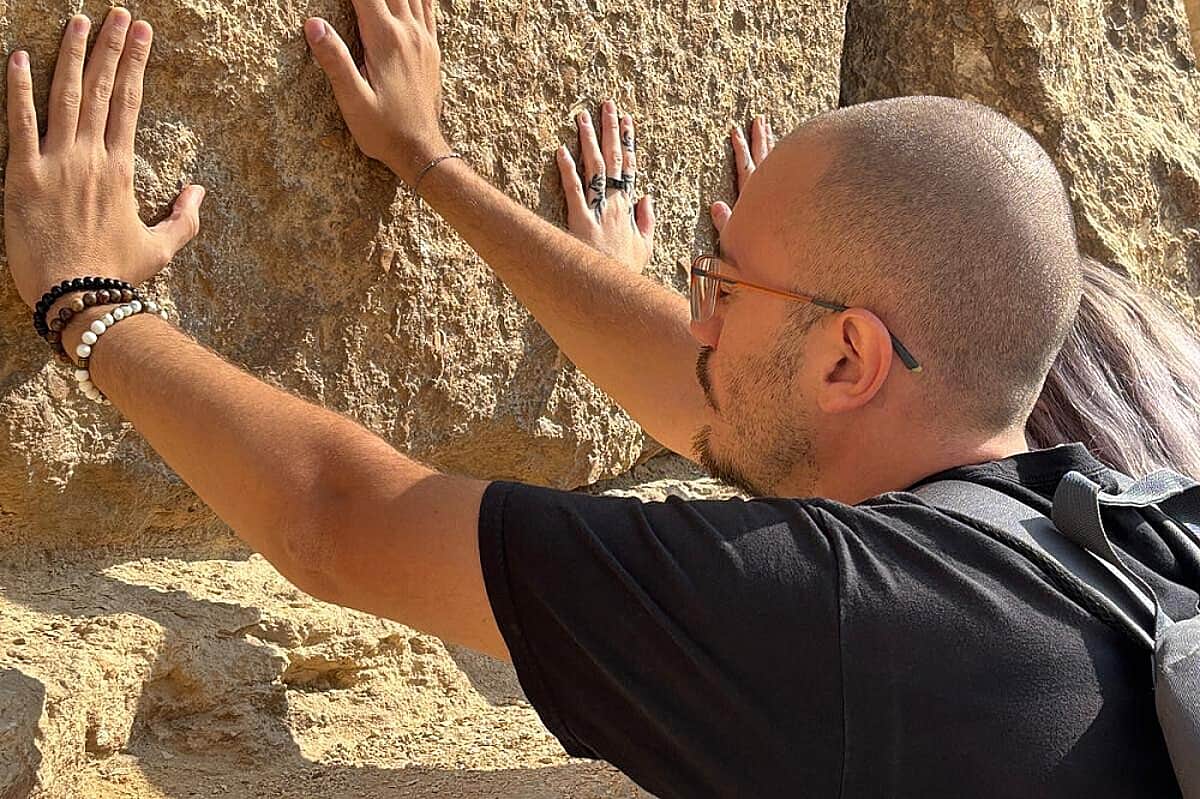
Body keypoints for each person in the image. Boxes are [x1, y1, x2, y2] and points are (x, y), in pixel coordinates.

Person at [5, 4, 1197, 797]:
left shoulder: (829, 619)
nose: (694, 315)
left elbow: (341, 514)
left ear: (847, 359)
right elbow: (716, 400)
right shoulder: (1127, 523)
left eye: (723, 283)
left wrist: (85, 298)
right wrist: (428, 163)